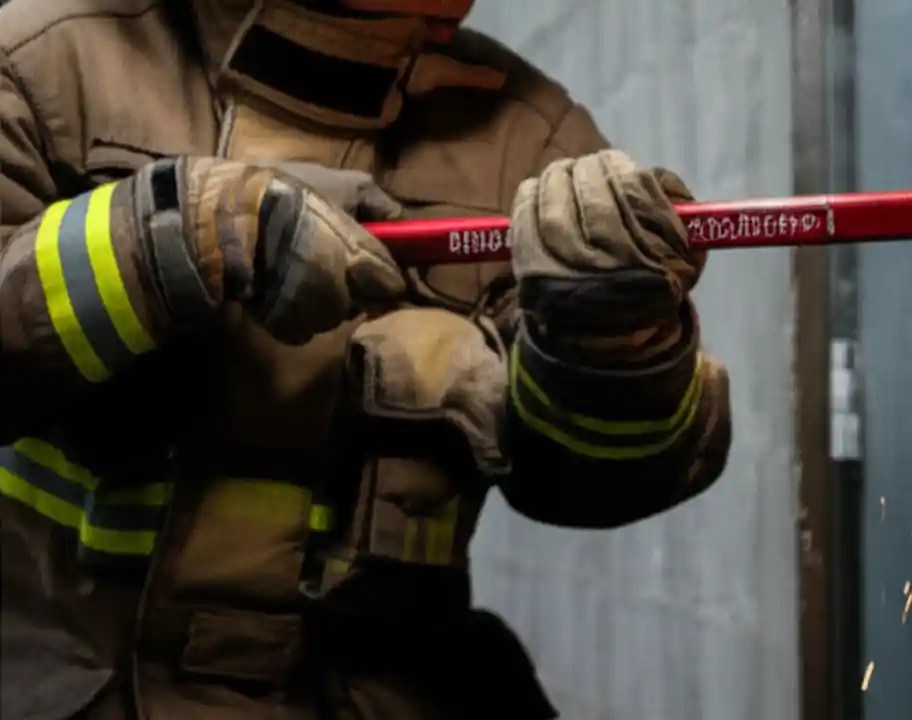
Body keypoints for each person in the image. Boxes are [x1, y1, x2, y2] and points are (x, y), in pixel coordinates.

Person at [0, 0, 733, 716]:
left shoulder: (529, 138)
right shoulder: (46, 63)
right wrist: (164, 240)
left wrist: (615, 346)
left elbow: (601, 483)